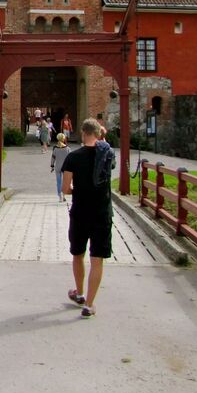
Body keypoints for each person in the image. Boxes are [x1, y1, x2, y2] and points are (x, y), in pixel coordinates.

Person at [60, 117, 116, 318]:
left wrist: (78, 190)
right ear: (99, 133)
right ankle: (89, 305)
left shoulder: (73, 158)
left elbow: (66, 189)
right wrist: (103, 135)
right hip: (102, 213)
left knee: (78, 254)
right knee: (97, 258)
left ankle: (80, 293)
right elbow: (105, 146)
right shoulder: (108, 155)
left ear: (83, 133)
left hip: (80, 212)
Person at [50, 132, 70, 202]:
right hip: (65, 168)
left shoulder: (55, 149)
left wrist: (52, 166)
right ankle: (64, 195)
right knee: (65, 182)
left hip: (57, 167)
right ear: (64, 139)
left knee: (59, 182)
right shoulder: (67, 149)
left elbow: (53, 158)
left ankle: (60, 197)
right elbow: (70, 159)